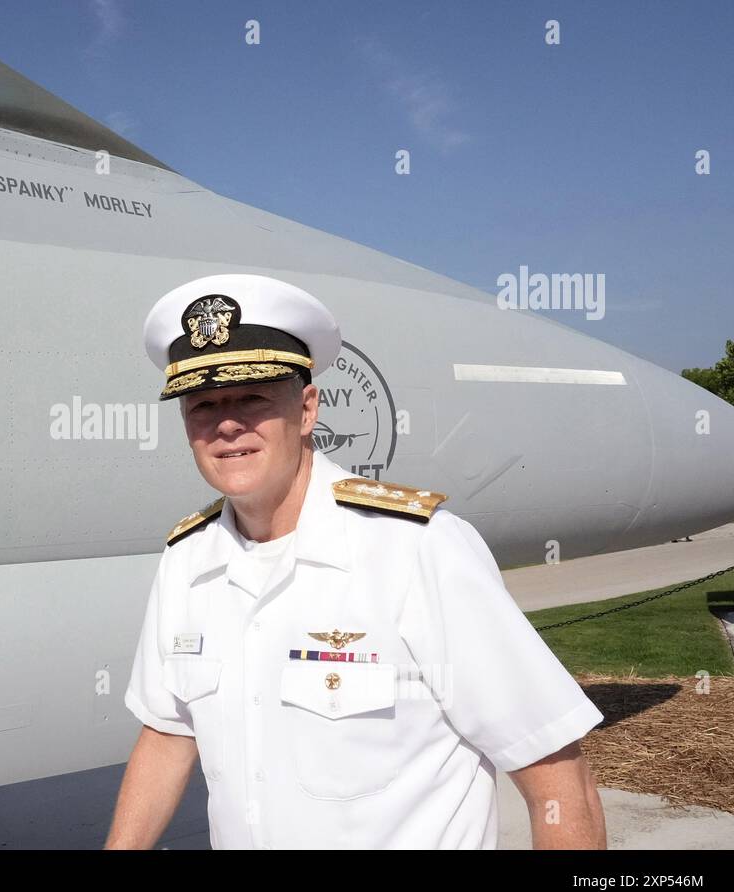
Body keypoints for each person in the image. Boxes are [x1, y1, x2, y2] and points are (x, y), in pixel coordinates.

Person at [105, 273, 606, 849]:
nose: (226, 424)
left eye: (252, 398)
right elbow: (168, 734)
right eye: (203, 405)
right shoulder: (187, 561)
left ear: (309, 408)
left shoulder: (417, 548)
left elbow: (558, 778)